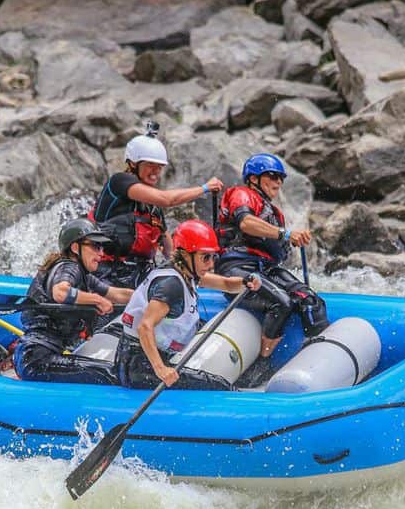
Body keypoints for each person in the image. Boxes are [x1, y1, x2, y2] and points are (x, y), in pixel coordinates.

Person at [115, 219, 260, 390]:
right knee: (216, 386)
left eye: (213, 257)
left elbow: (227, 284)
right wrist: (161, 369)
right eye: (205, 257)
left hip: (154, 354)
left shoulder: (185, 272)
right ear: (185, 254)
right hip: (139, 366)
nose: (211, 264)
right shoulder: (171, 285)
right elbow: (144, 327)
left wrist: (245, 282)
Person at [215, 152, 329, 360]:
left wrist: (293, 241)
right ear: (253, 178)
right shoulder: (242, 194)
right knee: (281, 302)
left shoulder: (275, 213)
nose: (278, 181)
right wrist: (285, 234)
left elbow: (277, 251)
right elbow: (246, 223)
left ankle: (321, 355)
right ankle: (262, 362)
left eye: (281, 178)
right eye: (272, 176)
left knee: (309, 300)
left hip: (265, 268)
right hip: (237, 266)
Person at [89, 121, 225, 289]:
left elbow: (170, 251)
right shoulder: (119, 182)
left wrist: (193, 271)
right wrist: (204, 188)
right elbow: (168, 200)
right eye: (150, 165)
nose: (155, 172)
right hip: (105, 272)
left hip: (141, 274)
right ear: (133, 164)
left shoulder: (153, 209)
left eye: (159, 167)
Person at [13, 219, 133, 384]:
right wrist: (97, 300)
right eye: (95, 246)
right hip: (37, 359)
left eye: (102, 247)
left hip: (40, 356)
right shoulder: (69, 267)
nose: (101, 253)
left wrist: (151, 296)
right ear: (76, 248)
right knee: (109, 373)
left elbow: (117, 294)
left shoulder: (85, 276)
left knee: (108, 369)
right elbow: (60, 292)